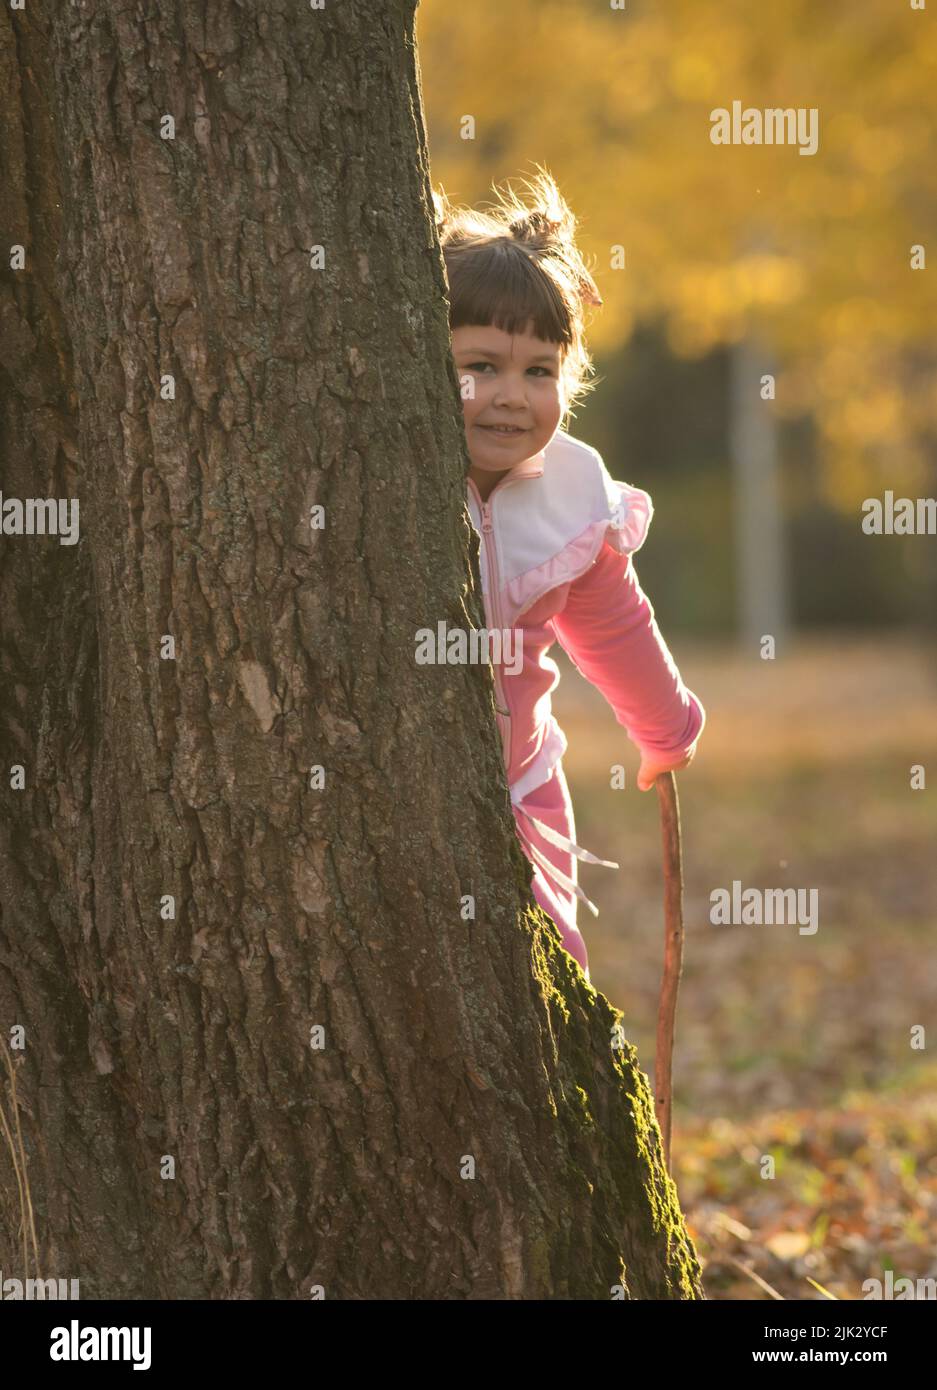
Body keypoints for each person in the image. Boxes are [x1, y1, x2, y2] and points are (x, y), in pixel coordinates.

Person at [434, 167, 705, 983]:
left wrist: (667, 732)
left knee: (540, 968)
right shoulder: (390, 473)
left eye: (539, 371)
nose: (510, 398)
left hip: (518, 789)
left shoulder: (570, 496)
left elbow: (615, 624)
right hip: (392, 789)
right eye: (479, 365)